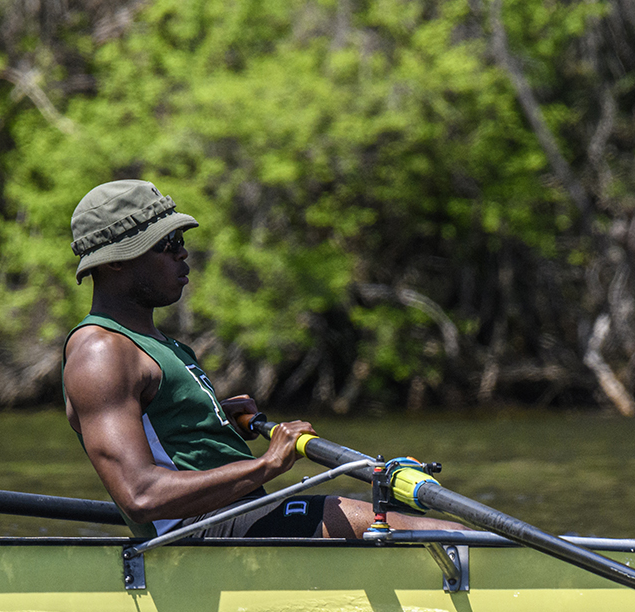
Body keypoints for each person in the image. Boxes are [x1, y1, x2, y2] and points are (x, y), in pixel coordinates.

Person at [60, 179, 464, 539]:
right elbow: (141, 496)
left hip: (234, 514)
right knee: (444, 533)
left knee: (419, 519)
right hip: (193, 531)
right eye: (168, 245)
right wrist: (267, 464)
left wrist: (211, 417)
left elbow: (162, 434)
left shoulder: (154, 342)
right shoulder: (100, 351)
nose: (184, 255)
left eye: (182, 240)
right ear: (114, 261)